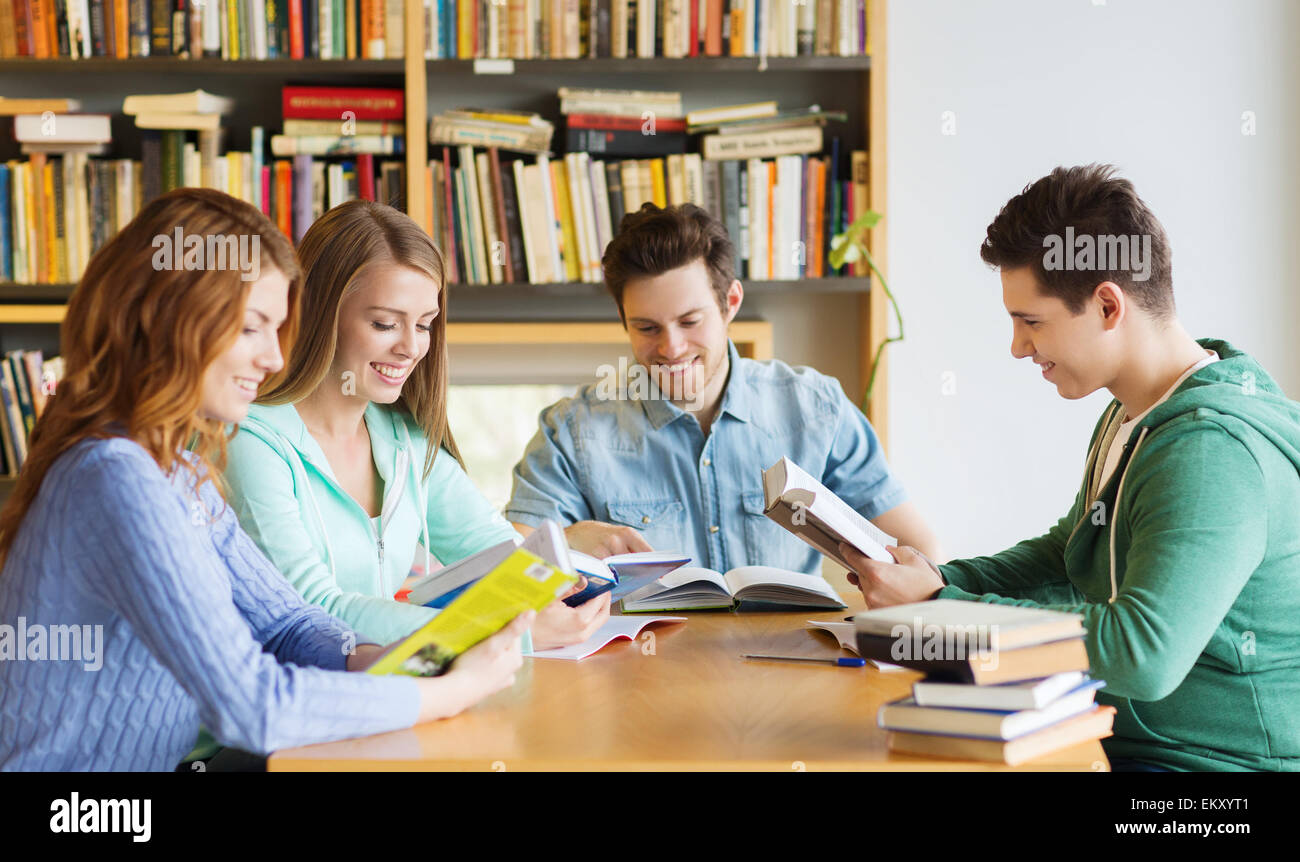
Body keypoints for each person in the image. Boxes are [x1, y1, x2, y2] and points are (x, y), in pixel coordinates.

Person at [0, 188, 531, 771]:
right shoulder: (116, 477)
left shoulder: (179, 470)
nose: (275, 359)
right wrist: (445, 691)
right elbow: (251, 703)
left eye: (276, 330)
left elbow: (286, 623)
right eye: (253, 329)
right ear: (173, 319)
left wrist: (403, 657)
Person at [841, 165, 1300, 772]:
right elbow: (1069, 555)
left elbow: (1144, 653)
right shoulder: (1134, 414)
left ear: (1108, 305)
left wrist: (944, 610)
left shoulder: (1209, 450)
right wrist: (941, 579)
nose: (1018, 347)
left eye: (1031, 322)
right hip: (1125, 743)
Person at [223, 200, 609, 648]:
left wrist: (561, 580)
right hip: (290, 701)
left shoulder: (402, 436)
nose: (410, 348)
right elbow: (310, 611)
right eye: (385, 323)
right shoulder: (250, 442)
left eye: (424, 325)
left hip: (382, 691)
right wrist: (508, 633)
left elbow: (496, 550)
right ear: (317, 312)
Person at [506, 202, 941, 574]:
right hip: (641, 668)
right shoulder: (571, 431)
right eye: (646, 327)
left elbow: (918, 550)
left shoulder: (815, 407)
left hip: (791, 664)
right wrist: (570, 540)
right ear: (624, 320)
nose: (671, 348)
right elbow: (512, 567)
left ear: (730, 303)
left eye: (690, 322)